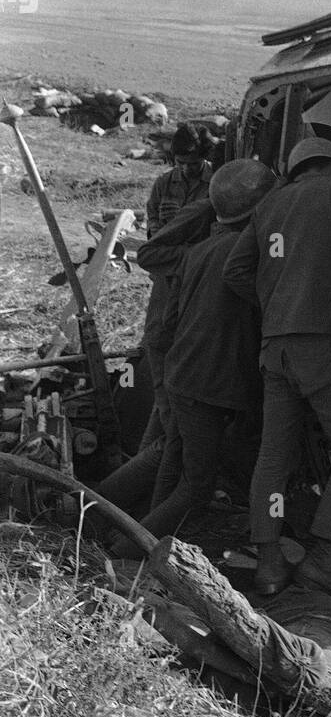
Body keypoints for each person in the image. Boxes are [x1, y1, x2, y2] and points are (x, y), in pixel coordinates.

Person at [223, 137, 331, 611]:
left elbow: (236, 271)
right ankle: (324, 558)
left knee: (274, 456)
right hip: (323, 346)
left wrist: (275, 306)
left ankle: (269, 564)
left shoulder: (269, 205)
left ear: (294, 168)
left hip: (277, 351)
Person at [102, 161, 275, 550]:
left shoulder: (198, 252)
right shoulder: (250, 256)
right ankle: (128, 546)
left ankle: (103, 518)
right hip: (208, 385)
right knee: (197, 485)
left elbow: (171, 319)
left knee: (169, 454)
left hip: (182, 373)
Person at [140, 124, 214, 446]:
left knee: (194, 344)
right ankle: (166, 419)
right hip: (169, 273)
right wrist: (180, 252)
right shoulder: (162, 185)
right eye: (180, 162)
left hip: (202, 276)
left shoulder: (218, 183)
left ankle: (184, 427)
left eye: (193, 163)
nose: (186, 169)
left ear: (205, 158)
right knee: (158, 338)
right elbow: (153, 233)